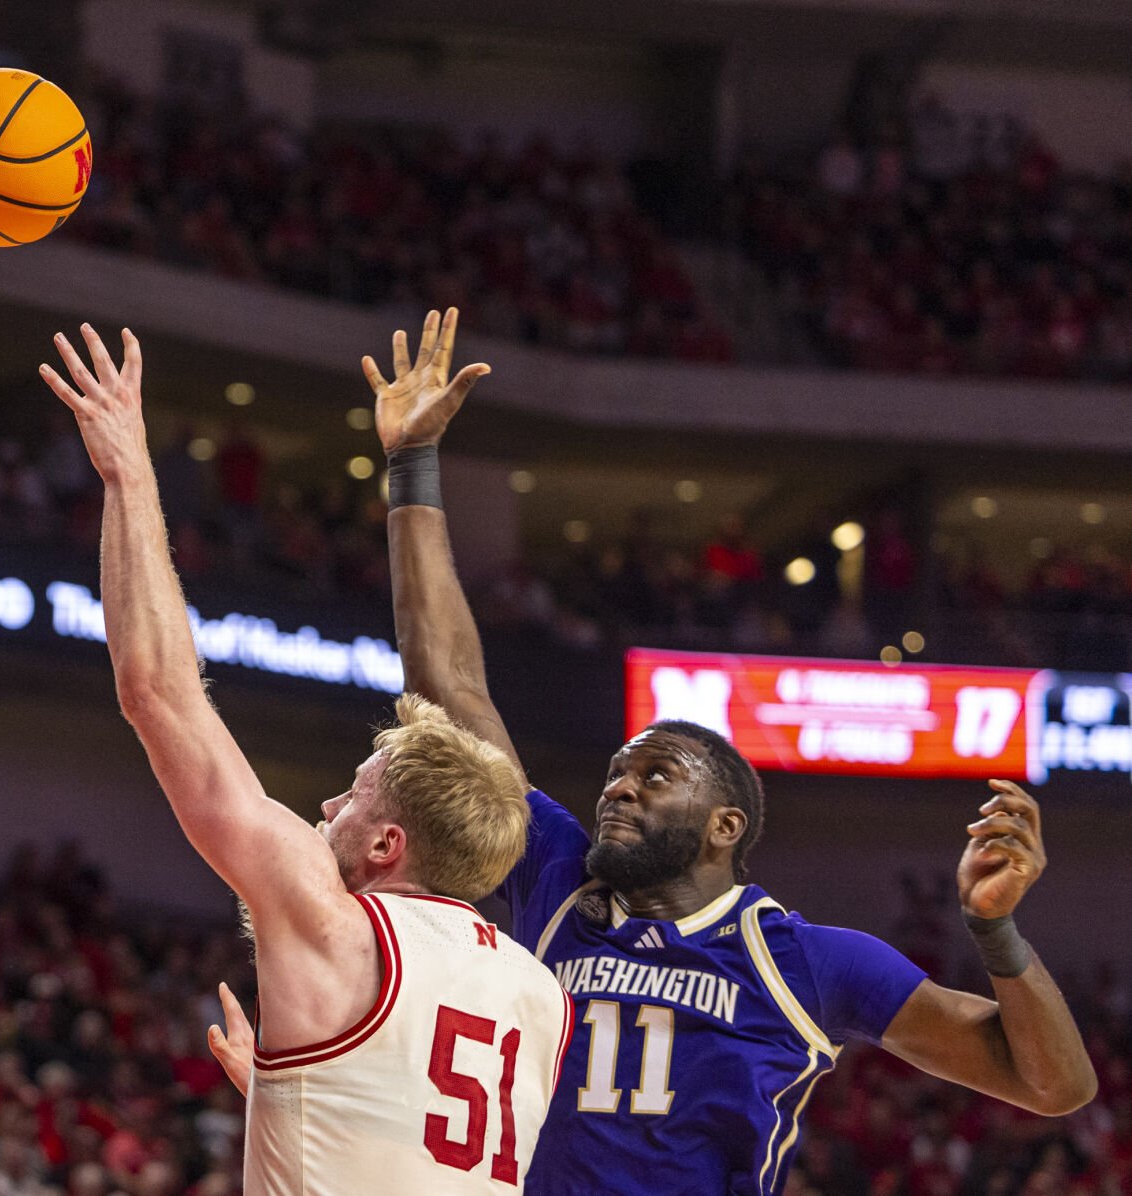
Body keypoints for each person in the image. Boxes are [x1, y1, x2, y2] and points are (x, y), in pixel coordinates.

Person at [209, 309, 1097, 1194]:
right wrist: (410, 465)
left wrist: (993, 931)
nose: (619, 791)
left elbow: (1053, 1085)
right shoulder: (554, 873)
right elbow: (450, 687)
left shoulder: (808, 961)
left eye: (653, 776)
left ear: (725, 825)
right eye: (615, 775)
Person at [38, 323, 573, 1193]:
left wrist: (128, 472)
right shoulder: (538, 997)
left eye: (352, 797)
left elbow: (157, 694)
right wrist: (292, 1086)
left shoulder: (332, 920)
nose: (326, 809)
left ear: (387, 845)